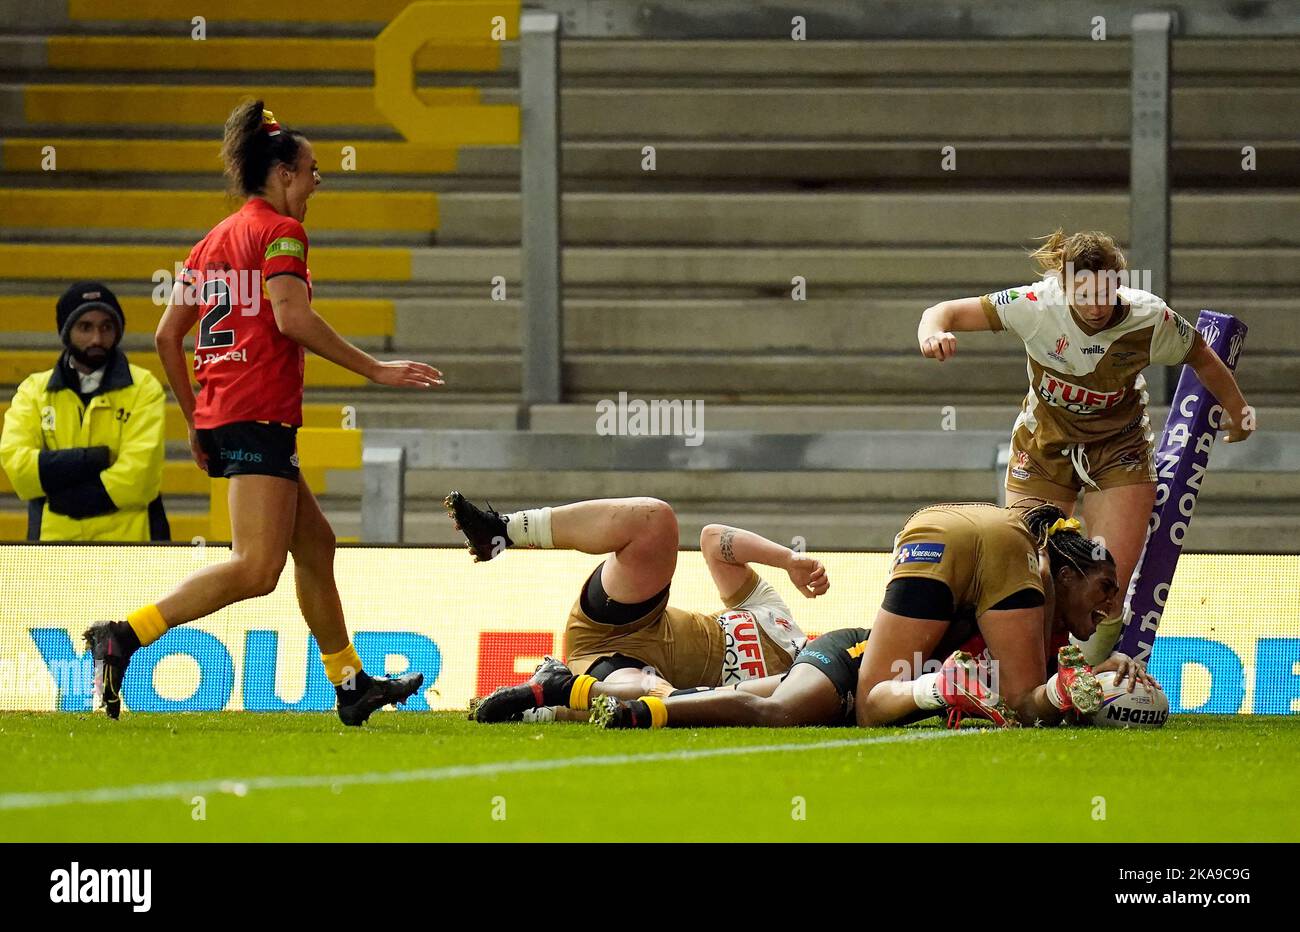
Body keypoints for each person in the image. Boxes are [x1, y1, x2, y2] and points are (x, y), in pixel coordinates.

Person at [82, 100, 445, 725]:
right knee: (256, 568)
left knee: (318, 545)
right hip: (258, 414)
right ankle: (124, 636)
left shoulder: (208, 244)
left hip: (227, 413)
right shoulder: (281, 232)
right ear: (281, 174)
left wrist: (197, 417)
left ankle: (350, 682)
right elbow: (291, 317)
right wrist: (378, 370)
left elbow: (169, 337)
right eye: (310, 170)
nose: (317, 181)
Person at [916, 230, 1254, 662]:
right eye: (1083, 293)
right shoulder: (1034, 306)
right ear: (1063, 284)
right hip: (1044, 449)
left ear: (1120, 282)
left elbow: (1203, 356)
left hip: (1119, 451)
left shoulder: (1150, 319)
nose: (1096, 305)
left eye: (1105, 292)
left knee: (1104, 583)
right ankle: (1026, 686)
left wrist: (1239, 409)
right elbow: (942, 312)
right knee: (1023, 576)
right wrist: (933, 334)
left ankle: (1085, 687)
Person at [594, 501, 1158, 730]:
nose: (1111, 605)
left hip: (935, 525)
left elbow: (1051, 679)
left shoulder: (1044, 617)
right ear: (1063, 574)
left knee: (809, 698)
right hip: (847, 653)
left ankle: (572, 697)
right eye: (1106, 586)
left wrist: (1108, 666)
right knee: (842, 709)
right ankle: (942, 686)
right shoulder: (1030, 592)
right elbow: (1027, 701)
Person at [444, 492, 826, 723]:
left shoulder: (797, 693)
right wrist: (788, 559)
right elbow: (714, 540)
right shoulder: (780, 619)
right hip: (632, 618)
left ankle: (543, 703)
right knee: (655, 519)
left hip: (623, 670)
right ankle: (504, 530)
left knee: (649, 697)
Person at [1, 282, 170, 541]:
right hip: (54, 545)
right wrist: (96, 459)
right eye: (85, 327)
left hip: (130, 546)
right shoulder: (34, 390)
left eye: (106, 327)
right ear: (66, 332)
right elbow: (18, 467)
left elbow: (140, 477)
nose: (97, 339)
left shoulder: (143, 386)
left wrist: (61, 491)